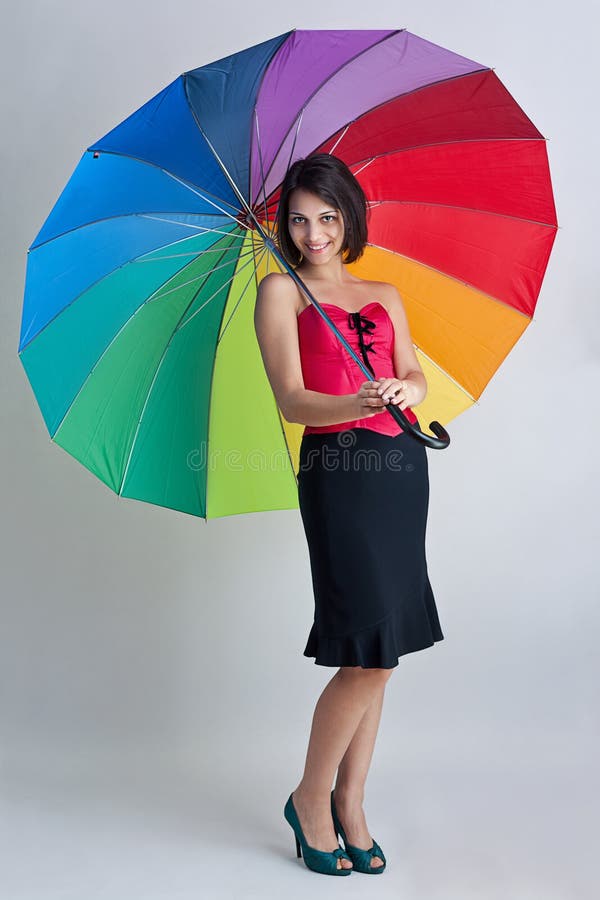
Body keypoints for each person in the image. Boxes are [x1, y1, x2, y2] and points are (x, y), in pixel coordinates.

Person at [254, 153, 444, 876]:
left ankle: (351, 801)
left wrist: (403, 385)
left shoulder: (385, 291)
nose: (313, 233)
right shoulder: (281, 291)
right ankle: (310, 799)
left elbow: (418, 372)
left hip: (400, 468)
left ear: (348, 217)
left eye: (327, 217)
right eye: (299, 219)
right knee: (362, 654)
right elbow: (291, 400)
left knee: (383, 653)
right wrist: (354, 404)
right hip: (338, 469)